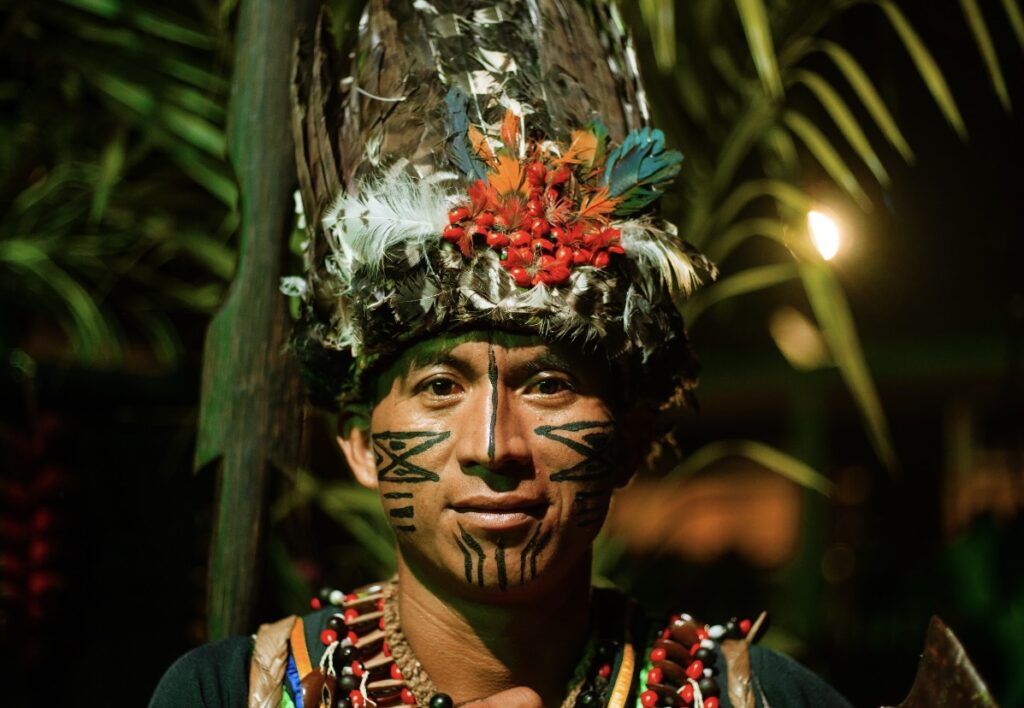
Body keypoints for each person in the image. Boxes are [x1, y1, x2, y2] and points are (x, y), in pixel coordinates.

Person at [152, 1, 854, 705]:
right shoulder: (227, 690)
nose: (494, 445)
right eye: (438, 387)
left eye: (548, 384)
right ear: (362, 444)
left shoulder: (759, 696)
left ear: (631, 442)